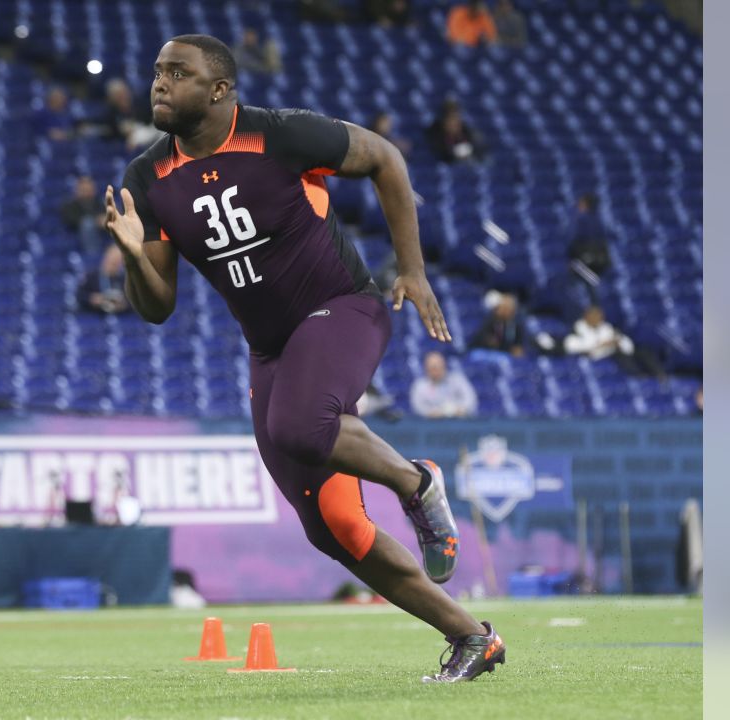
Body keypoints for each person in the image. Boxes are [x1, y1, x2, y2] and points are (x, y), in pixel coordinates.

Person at [104, 34, 504, 682]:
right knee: (334, 527)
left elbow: (385, 158)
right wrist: (131, 256)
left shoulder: (278, 134)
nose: (160, 82)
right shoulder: (147, 178)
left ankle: (416, 483)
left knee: (298, 424)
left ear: (219, 89)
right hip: (272, 350)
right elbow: (156, 307)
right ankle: (472, 638)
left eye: (178, 72)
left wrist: (412, 269)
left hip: (343, 308)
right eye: (157, 71)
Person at [563, 306, 666, 378]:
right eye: (595, 316)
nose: (599, 319)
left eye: (600, 316)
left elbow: (627, 345)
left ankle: (660, 375)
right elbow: (573, 346)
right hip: (596, 357)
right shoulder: (578, 329)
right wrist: (601, 345)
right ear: (587, 317)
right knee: (620, 356)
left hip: (612, 351)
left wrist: (618, 342)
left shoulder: (606, 327)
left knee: (643, 350)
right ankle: (639, 377)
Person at [411, 351, 479, 418]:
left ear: (444, 365)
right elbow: (418, 406)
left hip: (459, 421)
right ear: (426, 368)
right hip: (431, 422)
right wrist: (430, 412)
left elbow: (470, 399)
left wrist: (462, 409)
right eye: (433, 368)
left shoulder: (457, 379)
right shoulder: (420, 385)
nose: (436, 370)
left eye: (438, 366)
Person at [77, 244, 129, 315]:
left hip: (121, 316)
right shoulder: (91, 276)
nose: (113, 263)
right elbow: (80, 296)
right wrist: (92, 299)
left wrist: (123, 304)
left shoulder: (125, 279)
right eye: (111, 260)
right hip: (95, 315)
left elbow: (132, 302)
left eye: (116, 262)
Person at [425, 99, 483, 163]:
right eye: (450, 119)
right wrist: (453, 154)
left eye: (456, 118)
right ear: (443, 121)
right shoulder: (434, 136)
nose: (453, 124)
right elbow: (437, 155)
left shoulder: (468, 132)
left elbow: (480, 151)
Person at [469, 291, 525, 356]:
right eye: (503, 307)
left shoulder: (516, 325)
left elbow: (518, 344)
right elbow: (482, 339)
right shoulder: (490, 321)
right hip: (486, 352)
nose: (505, 311)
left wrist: (517, 349)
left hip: (505, 354)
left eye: (508, 308)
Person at [62, 175, 106, 258]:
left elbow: (104, 215)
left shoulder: (100, 203)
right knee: (88, 224)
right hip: (77, 233)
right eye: (84, 190)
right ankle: (93, 256)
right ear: (77, 190)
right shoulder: (69, 205)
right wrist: (96, 220)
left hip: (101, 232)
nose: (87, 192)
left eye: (89, 189)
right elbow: (71, 220)